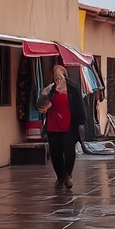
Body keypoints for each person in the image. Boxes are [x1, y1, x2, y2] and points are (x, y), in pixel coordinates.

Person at [37, 62, 84, 190]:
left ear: (65, 76)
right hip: (53, 126)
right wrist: (45, 98)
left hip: (69, 125)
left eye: (59, 76)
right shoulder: (50, 90)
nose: (57, 78)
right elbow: (40, 106)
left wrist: (80, 124)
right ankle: (60, 177)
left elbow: (79, 106)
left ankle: (68, 174)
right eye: (55, 76)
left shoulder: (73, 89)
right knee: (55, 152)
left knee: (69, 151)